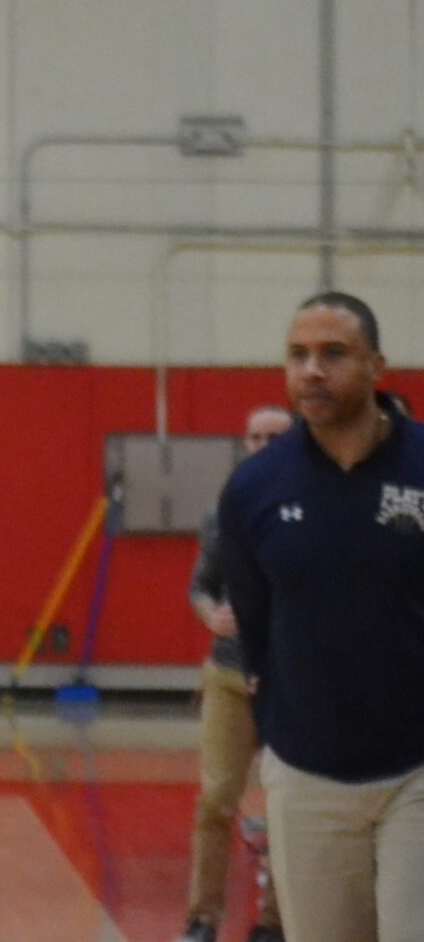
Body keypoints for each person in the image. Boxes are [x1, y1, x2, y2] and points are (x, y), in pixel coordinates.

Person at [221, 292, 424, 942]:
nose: (312, 370)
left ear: (376, 366)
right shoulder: (254, 487)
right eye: (298, 355)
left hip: (416, 769)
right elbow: (254, 621)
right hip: (307, 771)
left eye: (333, 353)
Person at [182, 404, 293, 942]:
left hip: (290, 678)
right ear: (244, 443)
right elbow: (200, 586)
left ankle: (273, 921)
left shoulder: (312, 507)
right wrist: (209, 614)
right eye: (255, 437)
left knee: (287, 805)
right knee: (216, 801)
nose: (264, 446)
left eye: (276, 437)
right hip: (228, 674)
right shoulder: (224, 512)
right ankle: (202, 918)